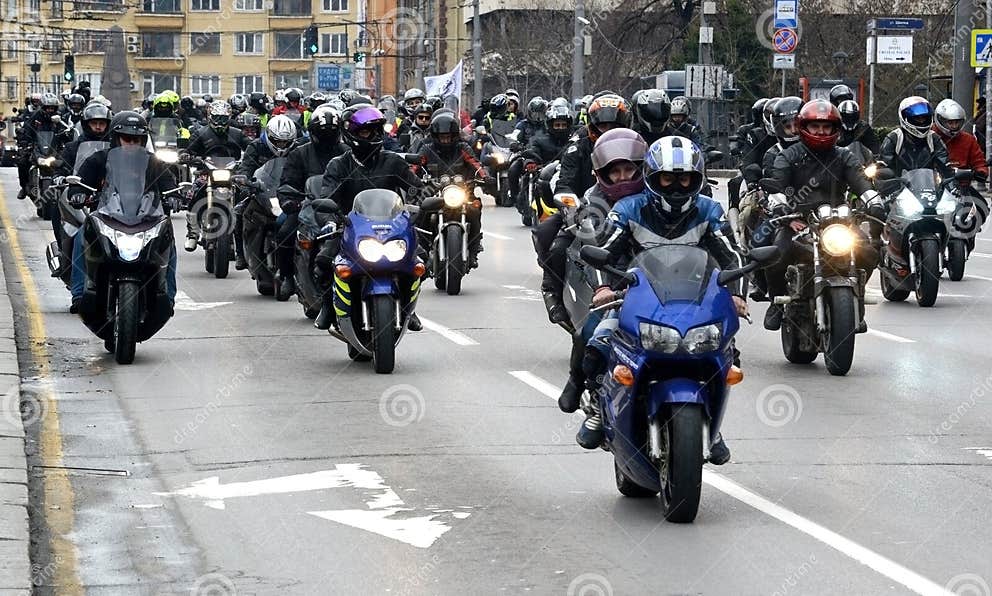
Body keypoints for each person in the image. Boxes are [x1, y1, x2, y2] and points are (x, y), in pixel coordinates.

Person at [575, 135, 746, 456]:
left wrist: (736, 296)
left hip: (697, 303)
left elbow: (732, 256)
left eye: (685, 179)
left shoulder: (710, 210)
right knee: (596, 341)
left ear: (697, 179)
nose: (677, 187)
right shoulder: (628, 209)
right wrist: (604, 288)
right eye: (668, 178)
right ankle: (598, 407)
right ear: (652, 178)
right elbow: (604, 252)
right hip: (637, 297)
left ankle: (713, 423)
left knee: (727, 353)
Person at [540, 128, 648, 412]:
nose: (623, 177)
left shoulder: (655, 195)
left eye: (629, 170)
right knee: (590, 328)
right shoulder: (594, 200)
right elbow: (595, 247)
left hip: (655, 275)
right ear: (602, 172)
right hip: (614, 273)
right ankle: (577, 380)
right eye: (616, 172)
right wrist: (604, 288)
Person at [762, 99, 880, 330]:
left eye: (827, 127)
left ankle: (858, 298)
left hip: (838, 222)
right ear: (803, 127)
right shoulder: (790, 155)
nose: (821, 132)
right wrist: (781, 206)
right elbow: (776, 184)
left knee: (867, 250)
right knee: (776, 253)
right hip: (797, 220)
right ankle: (775, 302)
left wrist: (874, 201)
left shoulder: (844, 156)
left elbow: (860, 181)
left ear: (835, 129)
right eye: (816, 127)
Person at [312, 105, 425, 331]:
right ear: (351, 134)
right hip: (350, 228)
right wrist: (329, 218)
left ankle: (408, 309)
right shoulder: (339, 164)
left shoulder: (393, 162)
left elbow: (417, 189)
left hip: (391, 228)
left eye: (376, 131)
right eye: (366, 132)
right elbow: (326, 197)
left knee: (420, 260)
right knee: (323, 261)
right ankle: (326, 305)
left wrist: (423, 205)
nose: (372, 136)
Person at [68, 111, 178, 313]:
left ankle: (168, 297)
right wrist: (77, 192)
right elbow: (80, 182)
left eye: (137, 139)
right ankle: (78, 293)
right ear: (115, 138)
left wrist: (174, 196)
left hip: (145, 218)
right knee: (81, 237)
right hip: (106, 217)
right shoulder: (99, 159)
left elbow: (168, 183)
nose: (132, 143)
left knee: (168, 242)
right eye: (127, 138)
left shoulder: (154, 162)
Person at [416, 112, 489, 266]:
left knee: (475, 209)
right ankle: (421, 250)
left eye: (448, 136)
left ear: (455, 135)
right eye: (442, 137)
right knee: (421, 212)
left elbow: (475, 163)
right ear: (435, 136)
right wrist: (412, 178)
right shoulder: (427, 149)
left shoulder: (462, 147)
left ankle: (474, 249)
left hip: (461, 190)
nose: (445, 139)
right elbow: (415, 166)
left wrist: (484, 176)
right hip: (434, 191)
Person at [182, 101, 248, 251]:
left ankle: (244, 232)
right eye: (217, 118)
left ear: (229, 118)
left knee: (247, 195)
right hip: (206, 172)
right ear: (210, 117)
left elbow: (251, 148)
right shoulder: (201, 133)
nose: (220, 122)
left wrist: (252, 157)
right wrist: (186, 155)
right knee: (194, 193)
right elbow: (187, 150)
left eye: (223, 118)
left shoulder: (237, 134)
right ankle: (192, 233)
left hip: (233, 174)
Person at [878, 96, 953, 178]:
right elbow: (883, 164)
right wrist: (882, 172)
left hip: (929, 187)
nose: (921, 121)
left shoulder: (933, 138)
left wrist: (953, 173)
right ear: (905, 118)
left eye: (924, 118)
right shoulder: (895, 137)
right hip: (898, 187)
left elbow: (944, 163)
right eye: (917, 118)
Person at [16, 92, 64, 200]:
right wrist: (25, 141)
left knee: (68, 163)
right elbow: (27, 129)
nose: (50, 110)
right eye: (48, 108)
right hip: (37, 146)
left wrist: (66, 138)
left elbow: (66, 131)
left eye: (52, 108)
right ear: (42, 107)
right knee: (22, 162)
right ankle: (24, 187)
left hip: (54, 148)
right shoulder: (35, 116)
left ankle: (67, 189)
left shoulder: (59, 118)